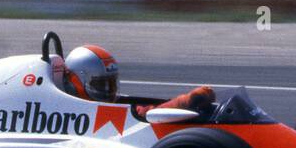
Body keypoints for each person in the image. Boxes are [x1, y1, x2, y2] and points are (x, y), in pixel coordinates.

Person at [54, 44, 215, 119]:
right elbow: (147, 116)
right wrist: (185, 101)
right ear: (76, 81)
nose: (108, 91)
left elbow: (143, 112)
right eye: (101, 85)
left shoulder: (108, 108)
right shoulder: (63, 112)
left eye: (111, 84)